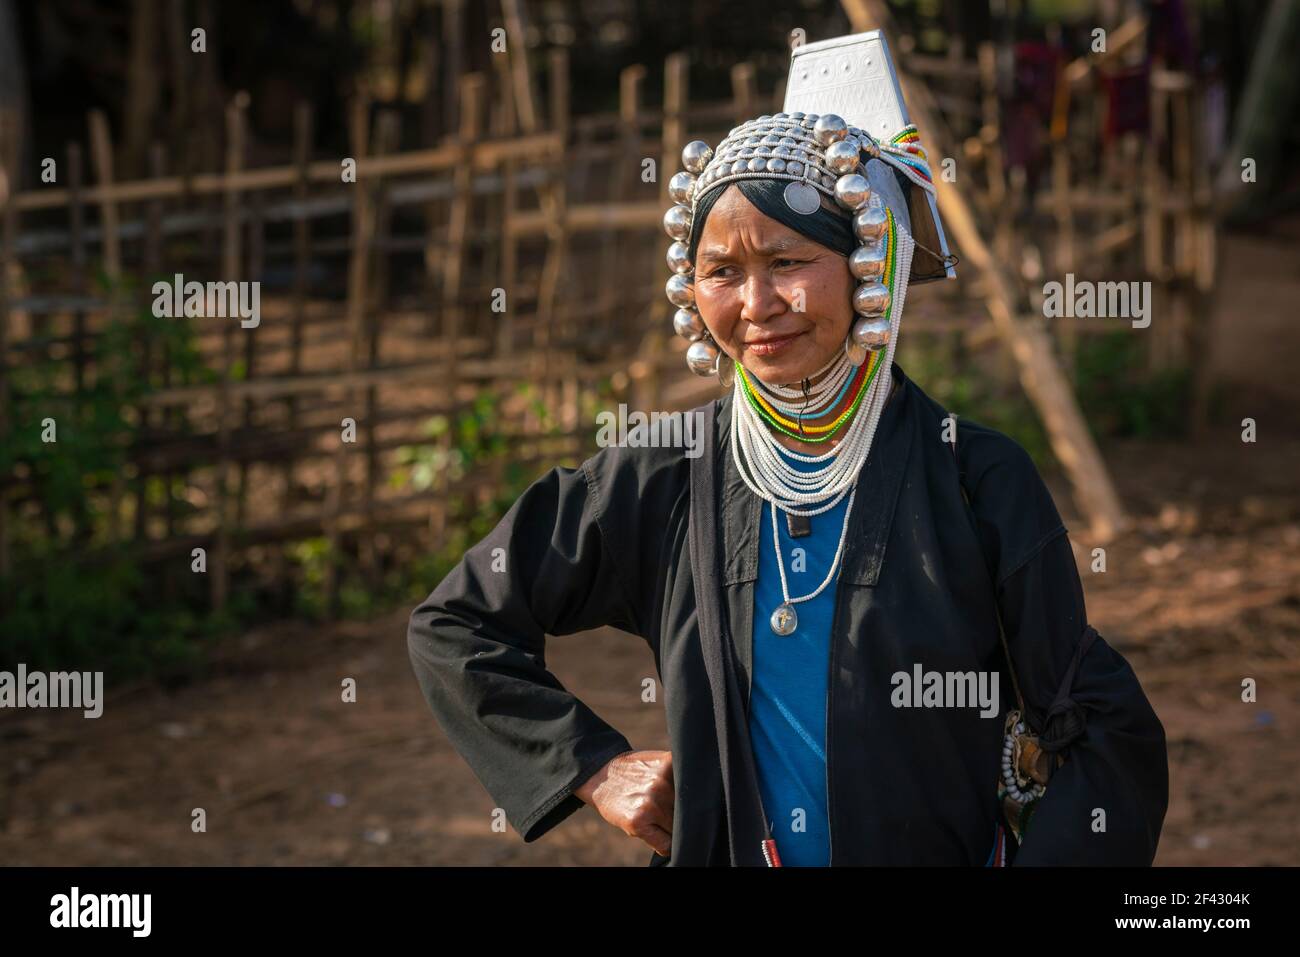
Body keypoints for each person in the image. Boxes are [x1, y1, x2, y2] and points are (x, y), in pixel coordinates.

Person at [407, 110, 1168, 866]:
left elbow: (1101, 732)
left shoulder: (974, 477)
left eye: (788, 261)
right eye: (722, 272)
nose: (757, 304)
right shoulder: (663, 475)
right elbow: (458, 622)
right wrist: (595, 767)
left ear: (869, 262)